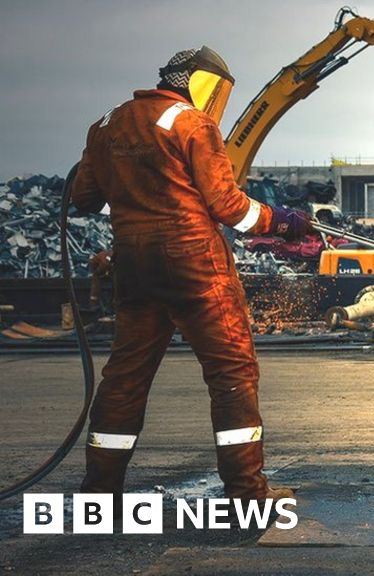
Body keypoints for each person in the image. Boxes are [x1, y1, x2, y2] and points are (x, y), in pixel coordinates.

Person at [71, 47, 308, 501]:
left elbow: (85, 198)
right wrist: (282, 222)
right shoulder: (191, 123)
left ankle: (99, 491)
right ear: (202, 84)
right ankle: (247, 492)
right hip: (195, 265)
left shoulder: (107, 125)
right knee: (231, 372)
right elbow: (229, 207)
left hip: (135, 267)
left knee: (125, 377)